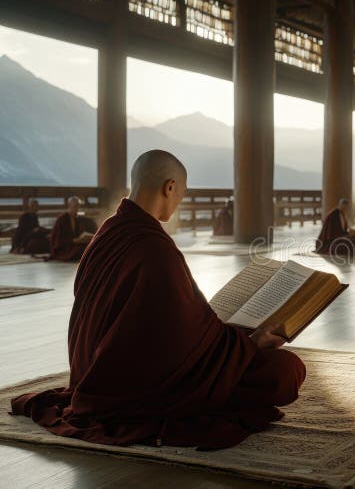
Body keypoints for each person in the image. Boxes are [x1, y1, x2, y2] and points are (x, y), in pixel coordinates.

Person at [11, 149, 305, 450]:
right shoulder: (154, 248)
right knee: (285, 371)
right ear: (170, 187)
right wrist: (249, 343)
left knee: (247, 352)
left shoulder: (107, 234)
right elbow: (180, 340)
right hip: (134, 386)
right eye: (182, 193)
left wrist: (227, 335)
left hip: (91, 369)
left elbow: (156, 324)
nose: (179, 202)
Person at [49, 196, 97, 261]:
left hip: (73, 245)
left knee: (90, 247)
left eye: (78, 206)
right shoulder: (62, 219)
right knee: (80, 250)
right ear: (69, 205)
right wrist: (74, 240)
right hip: (63, 249)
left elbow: (78, 235)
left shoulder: (76, 218)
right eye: (75, 206)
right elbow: (59, 240)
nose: (77, 208)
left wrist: (83, 239)